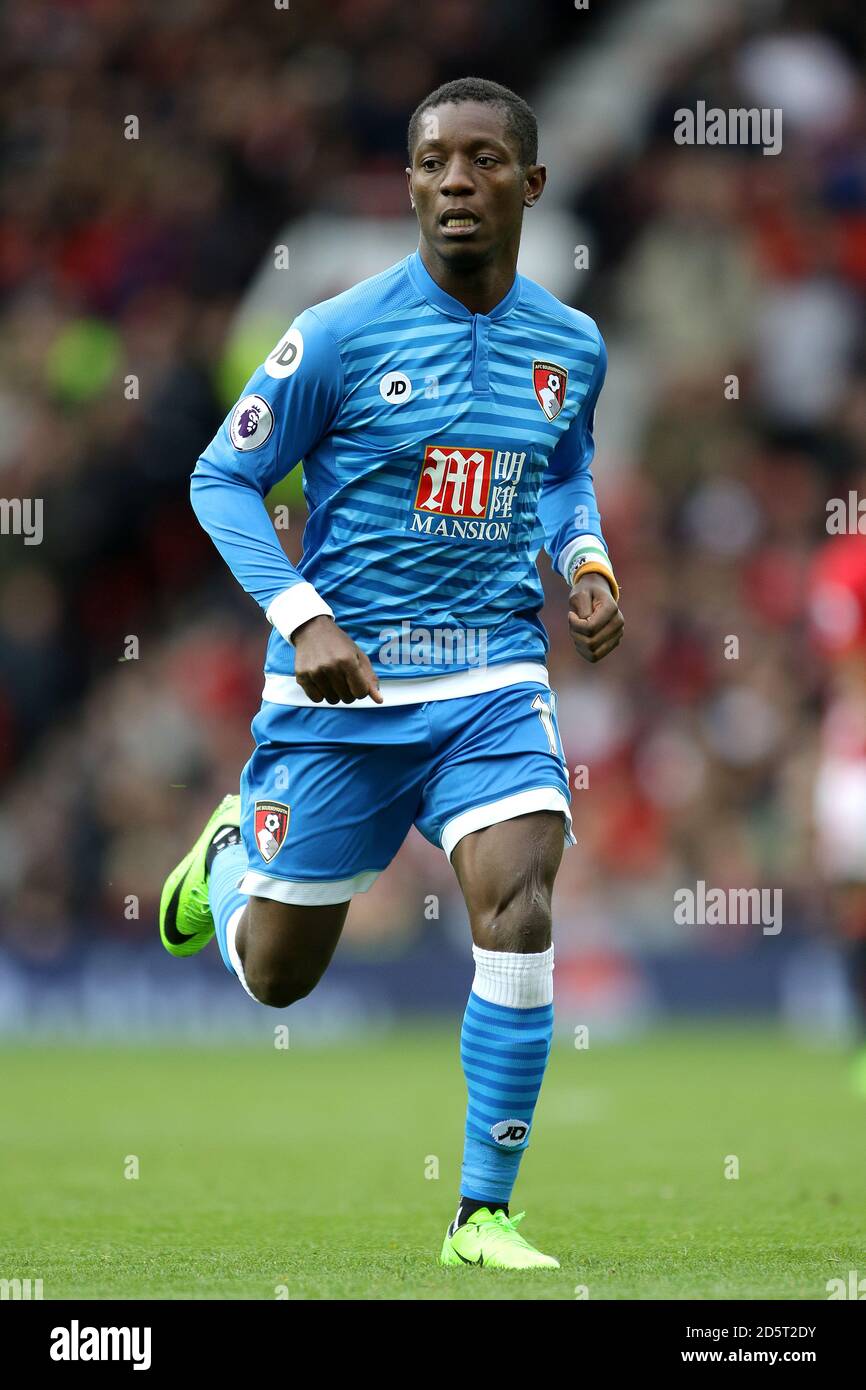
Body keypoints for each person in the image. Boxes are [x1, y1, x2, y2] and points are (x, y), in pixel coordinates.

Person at [159, 76, 623, 1270]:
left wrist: (583, 560)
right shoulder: (339, 332)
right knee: (276, 978)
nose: (452, 182)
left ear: (528, 183)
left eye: (478, 162)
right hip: (339, 694)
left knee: (518, 903)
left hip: (489, 678)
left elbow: (563, 470)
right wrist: (304, 616)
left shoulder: (568, 345)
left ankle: (481, 1214)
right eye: (430, 163)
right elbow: (221, 478)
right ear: (410, 182)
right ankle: (229, 859)